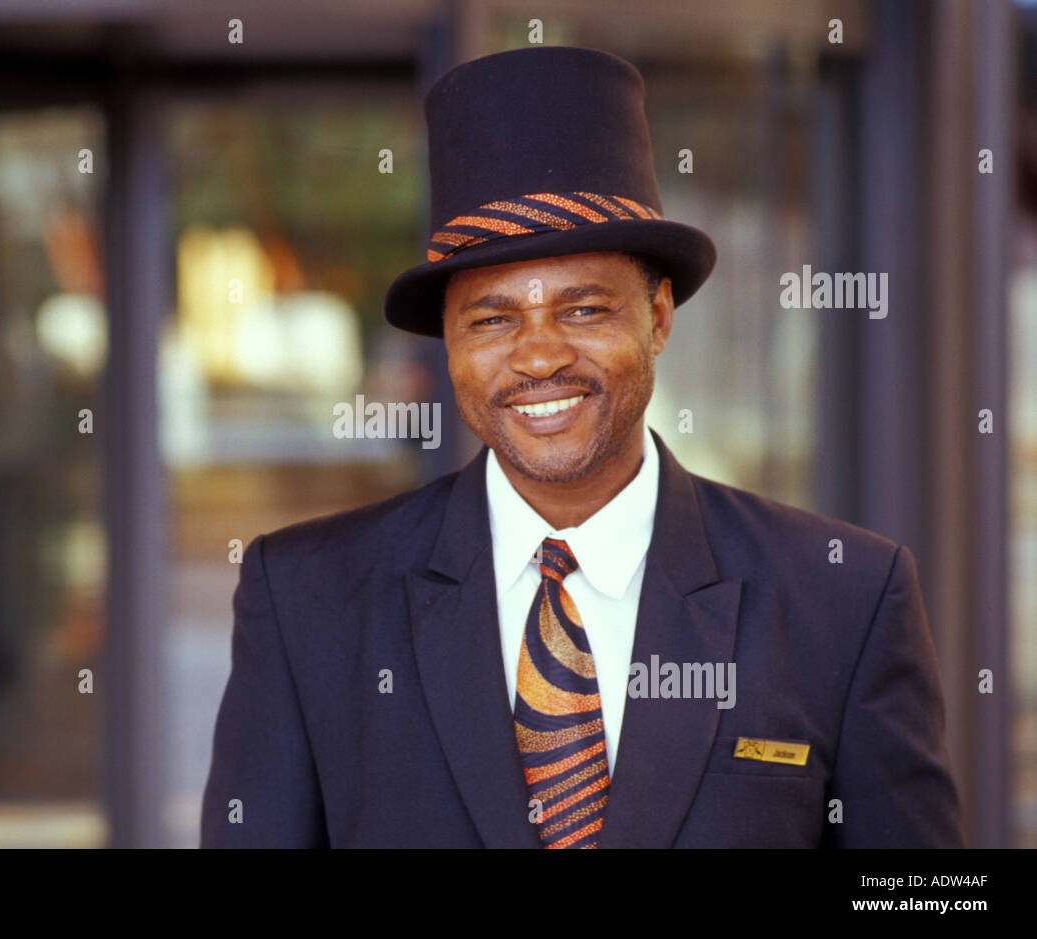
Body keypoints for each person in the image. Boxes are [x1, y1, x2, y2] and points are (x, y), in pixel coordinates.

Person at [200, 45, 964, 848]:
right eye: (492, 319)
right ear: (449, 345)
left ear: (659, 316)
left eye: (585, 309)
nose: (537, 356)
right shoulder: (307, 601)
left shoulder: (843, 598)